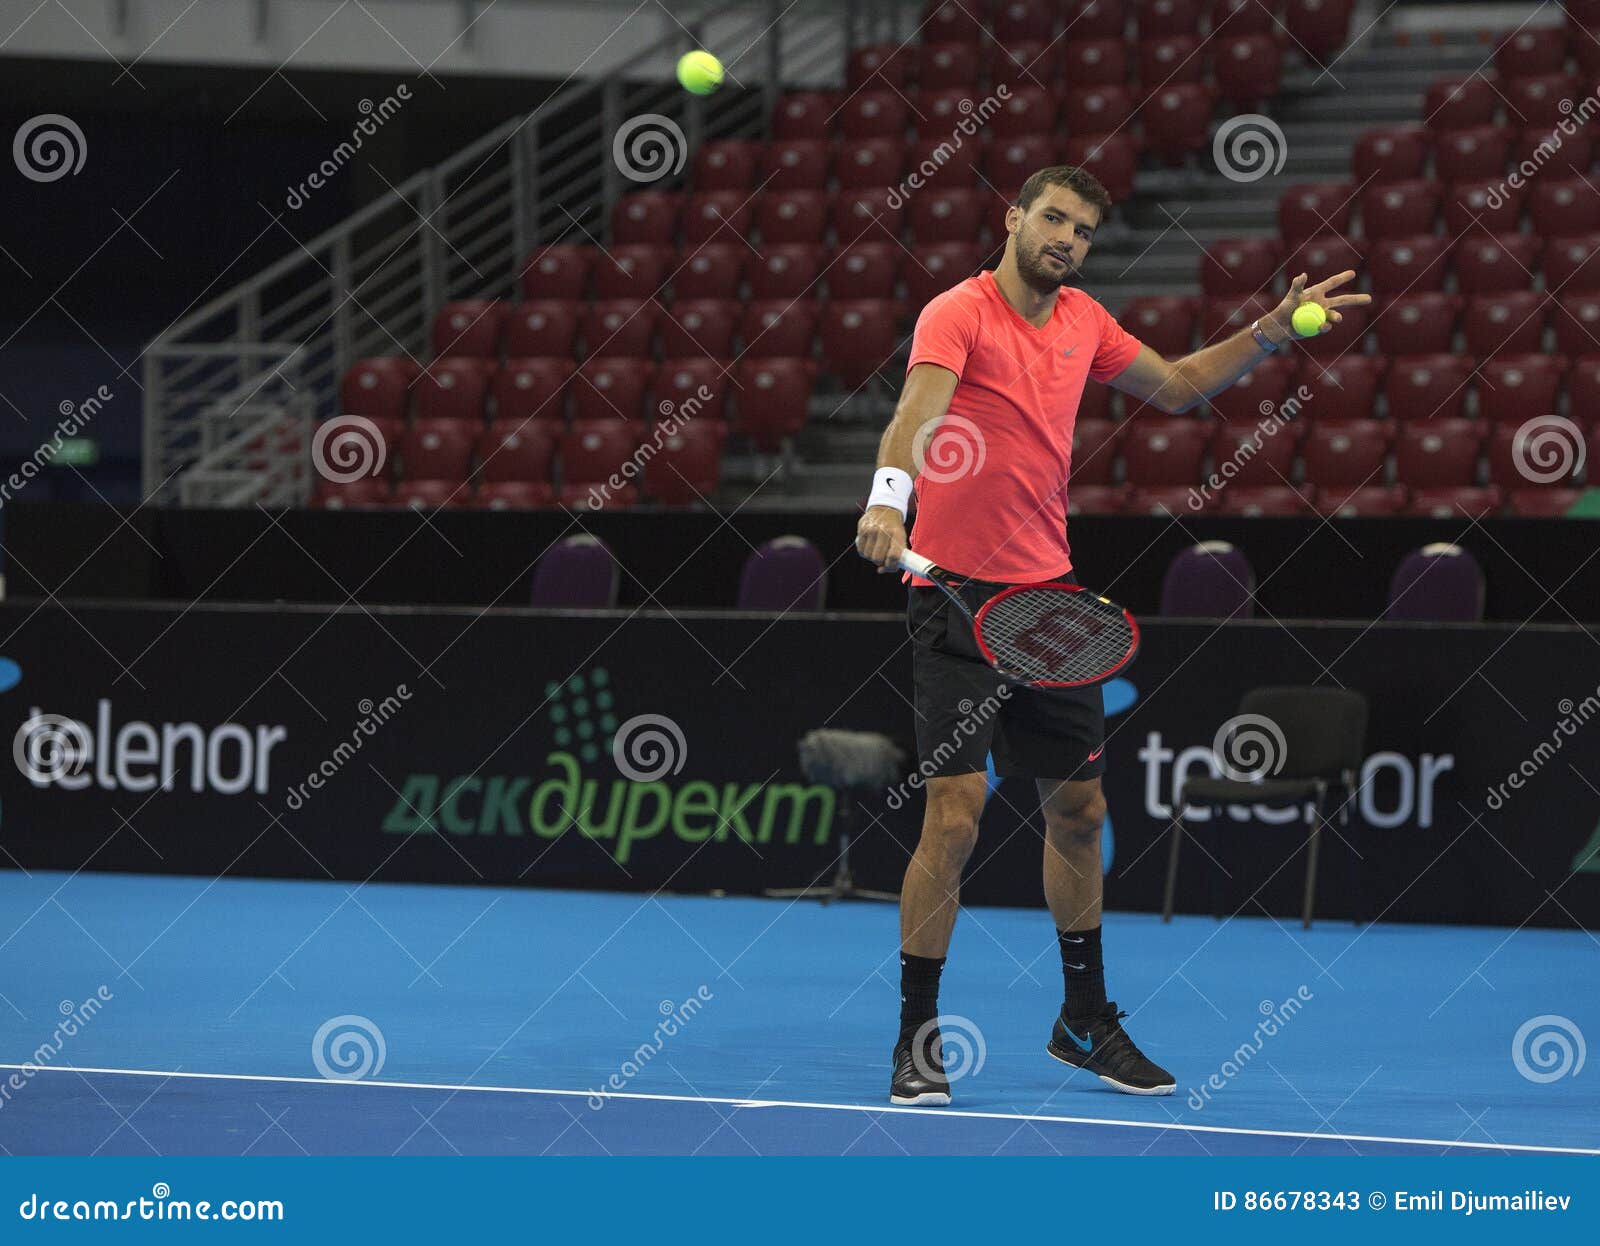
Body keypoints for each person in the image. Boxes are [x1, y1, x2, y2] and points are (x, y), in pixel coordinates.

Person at [853, 164, 1369, 1105]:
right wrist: (891, 499)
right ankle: (917, 1035)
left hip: (1048, 602)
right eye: (1052, 218)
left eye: (1084, 230)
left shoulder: (1085, 320)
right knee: (956, 814)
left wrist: (1266, 332)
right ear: (1013, 219)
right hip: (952, 598)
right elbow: (918, 415)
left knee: (1079, 813)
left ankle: (1084, 1021)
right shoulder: (956, 313)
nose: (1067, 239)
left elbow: (1174, 388)